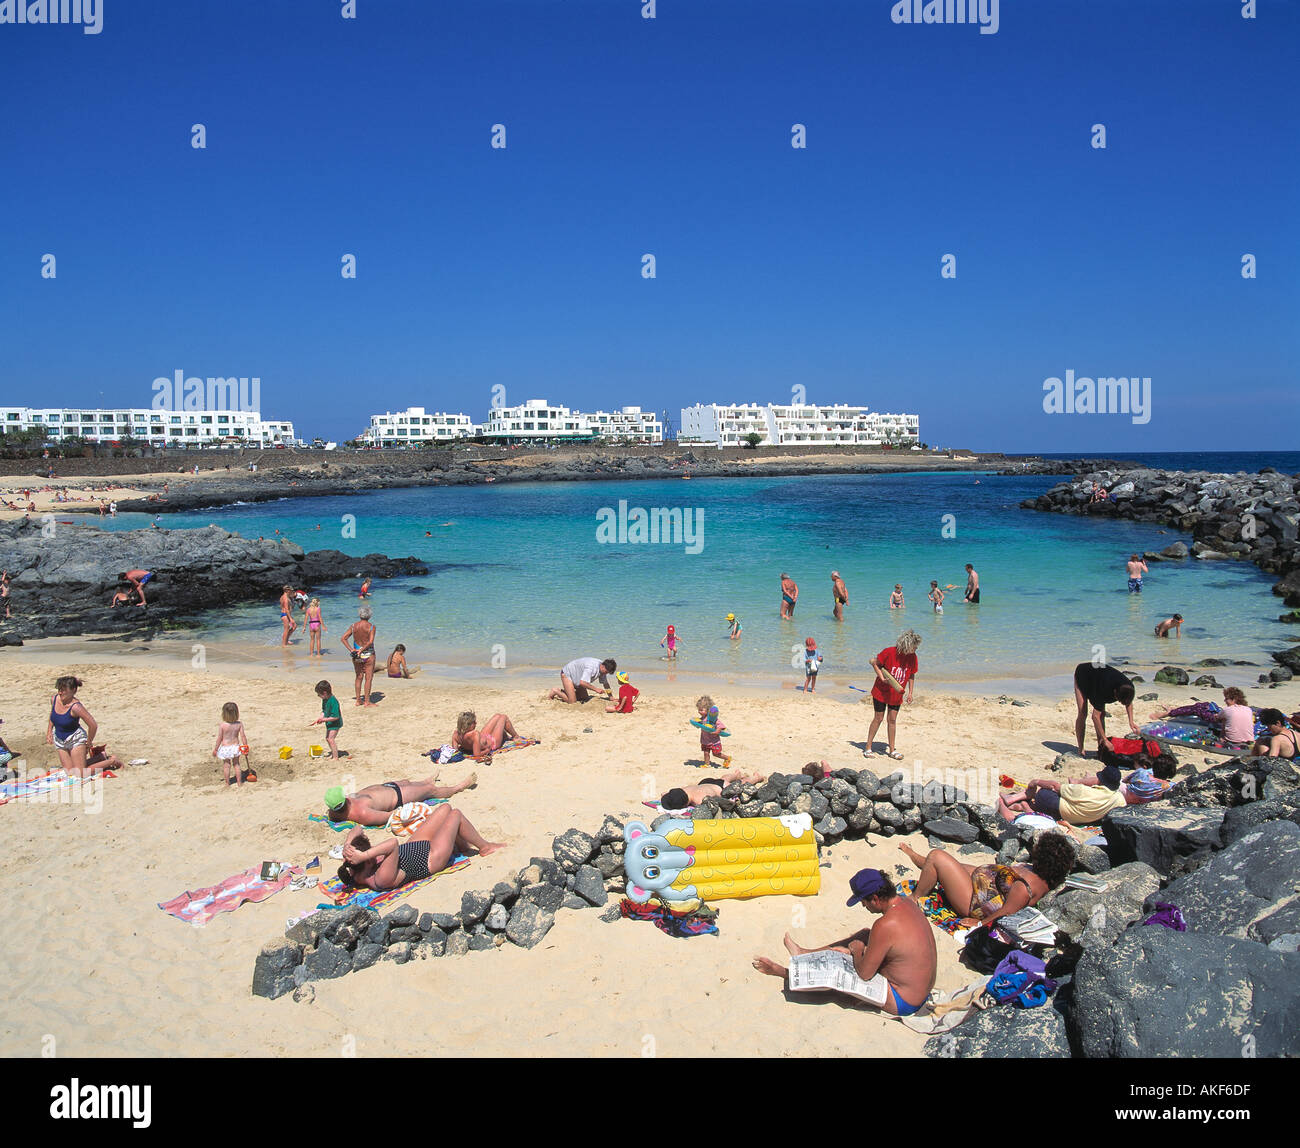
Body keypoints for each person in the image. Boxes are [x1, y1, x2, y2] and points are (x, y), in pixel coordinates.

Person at [752, 869, 938, 1017]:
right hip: (921, 990)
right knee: (865, 935)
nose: (864, 906)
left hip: (903, 1001)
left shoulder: (885, 924)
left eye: (864, 902)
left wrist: (856, 952)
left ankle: (785, 973)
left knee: (840, 969)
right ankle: (803, 953)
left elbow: (865, 974)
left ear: (874, 898)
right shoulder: (907, 903)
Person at [900, 832, 1074, 931]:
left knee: (937, 856)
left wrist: (979, 923)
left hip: (974, 902)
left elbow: (1007, 911)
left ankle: (915, 898)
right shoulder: (1041, 874)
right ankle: (918, 858)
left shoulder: (1025, 887)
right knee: (948, 864)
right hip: (984, 886)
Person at [336, 804, 505, 891]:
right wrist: (365, 855)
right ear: (366, 862)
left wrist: (348, 845)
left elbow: (357, 828)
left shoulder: (359, 867)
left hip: (414, 846)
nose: (376, 855)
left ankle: (461, 845)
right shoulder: (380, 878)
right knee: (456, 815)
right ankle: (485, 847)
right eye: (372, 857)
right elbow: (392, 844)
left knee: (445, 808)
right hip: (430, 858)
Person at [324, 773, 478, 826]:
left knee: (407, 782)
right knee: (430, 791)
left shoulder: (336, 810)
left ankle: (426, 781)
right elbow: (388, 816)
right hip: (398, 797)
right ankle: (458, 787)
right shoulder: (362, 813)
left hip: (388, 787)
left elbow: (332, 814)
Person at [45, 676, 122, 777]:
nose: (60, 693)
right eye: (59, 689)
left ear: (73, 690)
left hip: (75, 739)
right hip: (60, 739)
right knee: (69, 772)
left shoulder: (76, 707)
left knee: (80, 774)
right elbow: (53, 715)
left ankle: (112, 761)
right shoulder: (54, 699)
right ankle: (100, 757)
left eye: (63, 690)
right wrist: (49, 731)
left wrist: (88, 742)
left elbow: (93, 725)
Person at [864, 630, 920, 760]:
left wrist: (910, 692)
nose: (916, 649)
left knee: (892, 720)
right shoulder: (889, 652)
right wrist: (882, 677)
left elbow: (911, 674)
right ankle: (868, 747)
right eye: (915, 647)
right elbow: (875, 663)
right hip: (881, 691)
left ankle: (892, 750)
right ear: (907, 645)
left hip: (897, 693)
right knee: (878, 718)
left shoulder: (913, 657)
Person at [1072, 661, 1138, 754]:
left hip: (1099, 676)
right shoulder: (1103, 689)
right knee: (1083, 712)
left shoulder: (1129, 687)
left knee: (1102, 714)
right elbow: (1095, 716)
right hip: (1084, 674)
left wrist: (1131, 721)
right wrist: (1105, 739)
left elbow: (1128, 702)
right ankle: (1081, 749)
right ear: (1115, 692)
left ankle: (1101, 748)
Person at [660, 769, 768, 810]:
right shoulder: (682, 790)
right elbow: (666, 793)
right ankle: (736, 774)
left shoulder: (699, 800)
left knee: (741, 784)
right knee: (724, 778)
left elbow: (715, 805)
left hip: (721, 788)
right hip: (705, 783)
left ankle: (756, 777)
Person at [340, 607, 377, 706]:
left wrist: (352, 649)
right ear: (369, 616)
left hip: (356, 655)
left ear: (360, 615)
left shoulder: (353, 626)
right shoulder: (371, 627)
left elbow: (343, 638)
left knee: (358, 677)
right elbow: (370, 642)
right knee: (368, 678)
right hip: (368, 654)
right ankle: (367, 701)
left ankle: (358, 700)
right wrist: (362, 649)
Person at [452, 711, 520, 761]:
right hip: (493, 742)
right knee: (504, 717)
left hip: (483, 737)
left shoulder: (455, 734)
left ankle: (505, 736)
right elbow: (477, 755)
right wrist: (487, 750)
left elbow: (454, 752)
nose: (476, 723)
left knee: (497, 715)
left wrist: (464, 749)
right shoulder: (474, 734)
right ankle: (515, 736)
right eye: (474, 722)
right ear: (468, 725)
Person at [212, 701, 251, 787]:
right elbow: (243, 736)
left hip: (226, 748)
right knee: (236, 764)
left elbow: (219, 738)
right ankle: (239, 782)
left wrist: (215, 749)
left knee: (226, 766)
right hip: (235, 747)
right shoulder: (239, 724)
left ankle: (227, 783)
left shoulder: (222, 725)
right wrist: (245, 747)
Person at [548, 656, 616, 704]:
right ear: (603, 666)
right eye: (606, 672)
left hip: (578, 678)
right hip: (567, 674)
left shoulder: (602, 669)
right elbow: (583, 683)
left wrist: (611, 697)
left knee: (584, 697)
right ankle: (555, 691)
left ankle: (566, 693)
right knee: (572, 702)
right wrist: (596, 689)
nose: (606, 674)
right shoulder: (591, 667)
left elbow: (606, 684)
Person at [694, 696, 732, 769]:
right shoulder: (702, 719)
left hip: (714, 741)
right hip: (705, 740)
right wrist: (697, 724)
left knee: (716, 754)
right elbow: (700, 724)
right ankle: (707, 764)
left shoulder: (713, 719)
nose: (699, 711)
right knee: (706, 752)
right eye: (699, 709)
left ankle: (727, 758)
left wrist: (717, 731)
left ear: (708, 710)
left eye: (702, 710)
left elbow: (721, 726)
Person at [311, 680, 343, 758]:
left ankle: (335, 757)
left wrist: (324, 720)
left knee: (330, 739)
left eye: (319, 694)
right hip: (329, 722)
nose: (318, 696)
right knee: (328, 738)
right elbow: (324, 711)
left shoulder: (333, 701)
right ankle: (333, 754)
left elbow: (336, 717)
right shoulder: (325, 699)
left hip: (336, 723)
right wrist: (321, 717)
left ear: (324, 693)